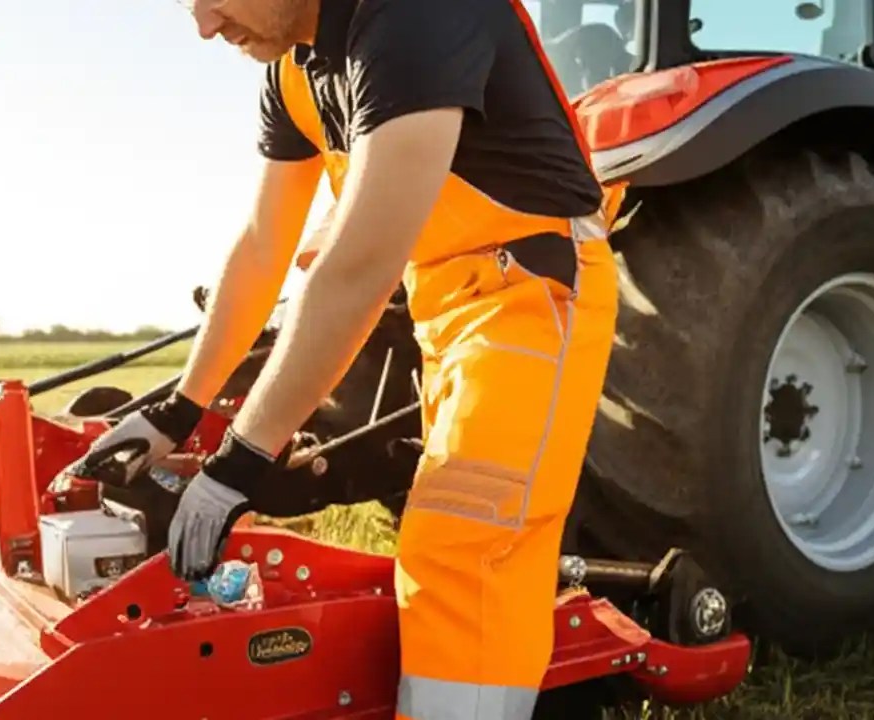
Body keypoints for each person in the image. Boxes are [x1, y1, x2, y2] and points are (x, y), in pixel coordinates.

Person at [62, 0, 625, 716]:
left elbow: (360, 262)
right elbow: (265, 246)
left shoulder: (418, 15)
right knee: (447, 530)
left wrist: (241, 458)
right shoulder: (295, 69)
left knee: (463, 541)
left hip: (534, 294)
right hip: (443, 309)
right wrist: (178, 410)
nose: (204, 24)